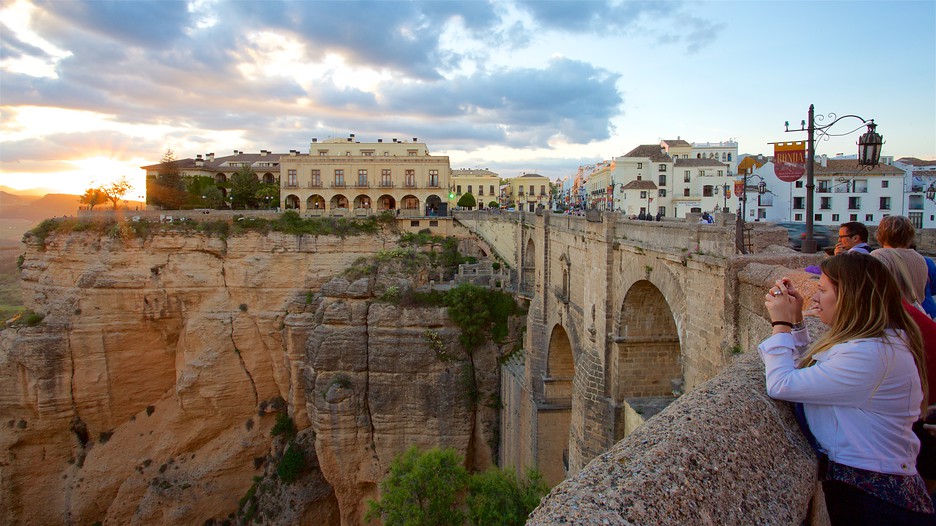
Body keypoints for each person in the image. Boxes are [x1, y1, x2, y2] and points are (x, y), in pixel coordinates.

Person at [760, 253, 934, 525]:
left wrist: (780, 325)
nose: (814, 299)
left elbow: (782, 384)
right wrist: (796, 323)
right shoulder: (875, 343)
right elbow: (817, 377)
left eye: (822, 290)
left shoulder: (871, 355)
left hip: (876, 502)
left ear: (851, 298)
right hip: (872, 491)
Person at [874, 215, 929, 309]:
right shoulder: (919, 258)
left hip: (891, 316)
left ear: (880, 234)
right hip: (912, 315)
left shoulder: (879, 255)